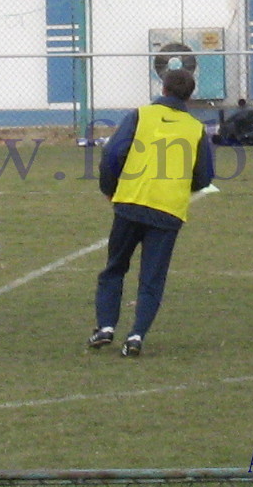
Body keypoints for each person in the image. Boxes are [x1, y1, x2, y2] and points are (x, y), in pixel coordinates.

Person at [89, 68, 215, 357]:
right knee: (152, 278)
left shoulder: (140, 115)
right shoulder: (195, 129)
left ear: (163, 88)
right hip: (167, 211)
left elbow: (113, 154)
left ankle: (106, 326)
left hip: (130, 203)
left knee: (114, 268)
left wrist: (110, 189)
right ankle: (135, 336)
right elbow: (205, 176)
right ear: (190, 95)